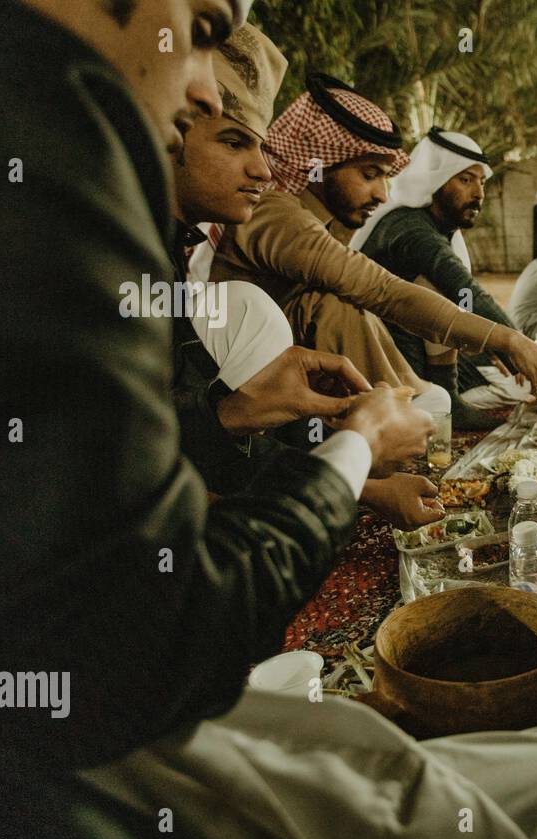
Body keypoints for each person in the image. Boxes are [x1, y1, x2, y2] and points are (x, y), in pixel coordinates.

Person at [0, 0, 537, 839]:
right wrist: (354, 456)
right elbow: (165, 627)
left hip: (83, 703)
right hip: (80, 736)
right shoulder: (51, 162)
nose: (200, 87)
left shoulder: (138, 229)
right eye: (202, 30)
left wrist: (245, 413)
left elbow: (156, 457)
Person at [172, 23, 443, 526]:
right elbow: (140, 477)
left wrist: (240, 411)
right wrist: (358, 453)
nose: (263, 170)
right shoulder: (277, 216)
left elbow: (191, 439)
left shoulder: (165, 250)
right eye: (234, 143)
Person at [206, 73, 537, 415]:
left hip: (302, 369)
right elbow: (387, 292)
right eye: (369, 174)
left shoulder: (318, 219)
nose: (382, 193)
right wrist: (508, 341)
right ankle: (381, 416)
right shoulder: (278, 213)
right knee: (333, 304)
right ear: (319, 164)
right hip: (239, 385)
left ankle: (402, 403)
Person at [351, 126, 522, 429]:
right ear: (435, 180)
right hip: (385, 362)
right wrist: (520, 347)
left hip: (422, 353)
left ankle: (450, 396)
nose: (478, 193)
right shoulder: (410, 229)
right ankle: (447, 402)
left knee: (507, 382)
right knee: (509, 386)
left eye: (481, 182)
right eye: (466, 180)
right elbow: (463, 289)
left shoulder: (430, 226)